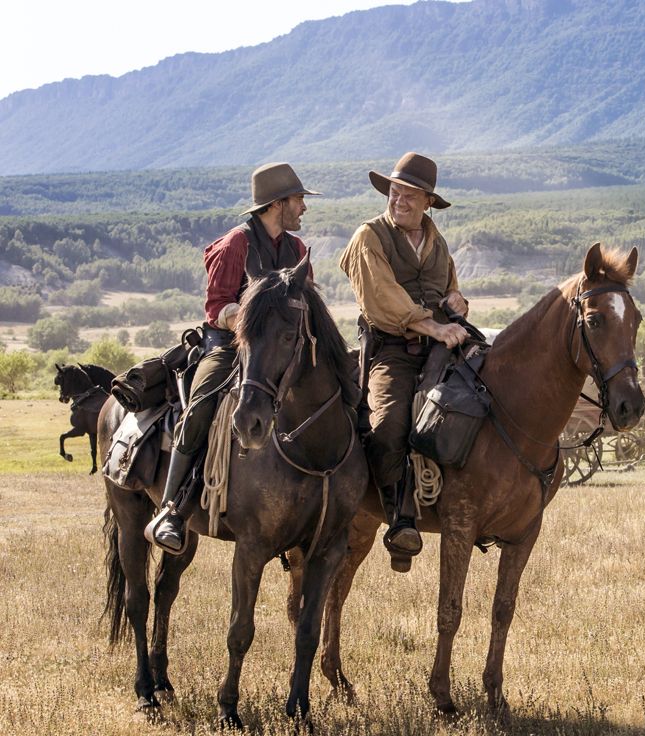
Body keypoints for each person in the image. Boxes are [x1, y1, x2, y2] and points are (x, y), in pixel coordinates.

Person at [147, 163, 319, 553]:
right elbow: (216, 307)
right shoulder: (235, 245)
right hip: (227, 345)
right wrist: (253, 322)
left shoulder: (296, 250)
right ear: (278, 204)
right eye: (299, 200)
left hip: (281, 346)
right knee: (202, 405)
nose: (303, 208)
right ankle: (172, 509)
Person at [340, 152, 469, 569]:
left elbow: (449, 288)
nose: (399, 201)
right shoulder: (369, 237)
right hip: (392, 349)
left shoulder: (437, 240)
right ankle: (400, 519)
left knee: (482, 399)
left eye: (410, 195)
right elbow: (381, 298)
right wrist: (431, 326)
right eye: (395, 192)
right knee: (387, 423)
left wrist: (456, 302)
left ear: (428, 201)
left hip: (439, 343)